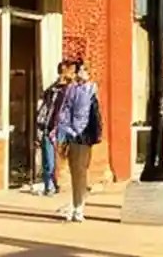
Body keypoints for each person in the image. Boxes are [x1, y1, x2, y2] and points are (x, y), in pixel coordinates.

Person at [56, 61, 102, 222]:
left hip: (83, 136)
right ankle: (76, 204)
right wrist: (66, 130)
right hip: (72, 135)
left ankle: (79, 207)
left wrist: (78, 131)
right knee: (74, 170)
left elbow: (88, 115)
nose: (79, 73)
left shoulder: (90, 90)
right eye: (79, 70)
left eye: (83, 70)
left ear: (89, 73)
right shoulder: (72, 89)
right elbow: (65, 110)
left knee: (80, 171)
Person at [34, 60, 75, 196]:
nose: (69, 75)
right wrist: (41, 126)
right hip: (49, 127)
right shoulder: (52, 90)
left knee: (62, 160)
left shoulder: (72, 90)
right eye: (67, 72)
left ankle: (58, 184)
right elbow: (45, 108)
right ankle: (49, 186)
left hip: (63, 129)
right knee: (48, 159)